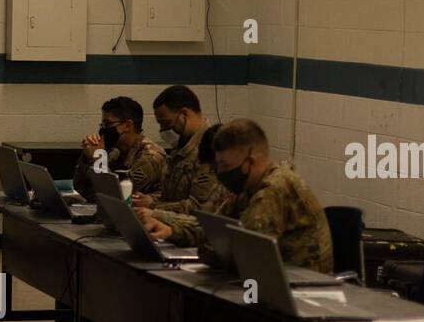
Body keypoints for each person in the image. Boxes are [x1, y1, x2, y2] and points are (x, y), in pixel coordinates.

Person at [140, 118, 333, 273]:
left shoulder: (274, 188)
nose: (220, 173)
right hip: (273, 281)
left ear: (250, 161)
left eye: (225, 166)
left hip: (301, 287)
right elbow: (212, 227)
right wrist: (170, 229)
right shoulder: (248, 188)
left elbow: (244, 251)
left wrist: (208, 250)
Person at [132, 85, 228, 215]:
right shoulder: (181, 147)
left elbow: (201, 207)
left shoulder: (210, 149)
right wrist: (150, 199)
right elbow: (171, 194)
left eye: (166, 123)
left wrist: (154, 206)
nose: (163, 130)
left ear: (184, 114)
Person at [72, 96, 167, 200]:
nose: (103, 129)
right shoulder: (115, 151)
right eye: (102, 124)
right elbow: (81, 188)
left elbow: (116, 196)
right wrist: (87, 156)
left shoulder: (150, 156)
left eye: (108, 124)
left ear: (127, 125)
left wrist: (99, 158)